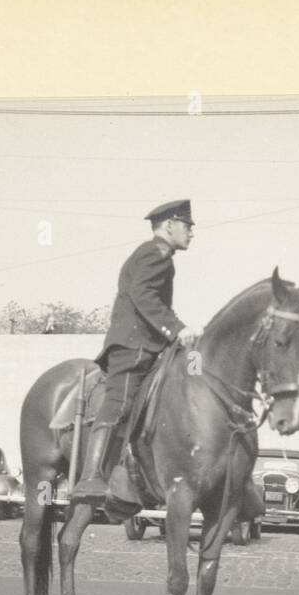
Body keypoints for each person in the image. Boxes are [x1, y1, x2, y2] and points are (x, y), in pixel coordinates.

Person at [71, 199, 198, 504]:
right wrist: (176, 328)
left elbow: (157, 304)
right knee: (119, 404)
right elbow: (143, 295)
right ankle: (91, 477)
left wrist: (179, 336)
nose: (192, 233)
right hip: (133, 346)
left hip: (149, 344)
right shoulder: (155, 254)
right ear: (169, 226)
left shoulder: (160, 255)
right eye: (187, 226)